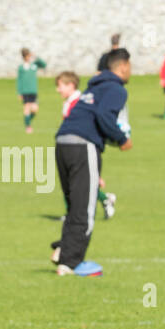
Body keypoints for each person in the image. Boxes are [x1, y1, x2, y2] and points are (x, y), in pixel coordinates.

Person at [51, 49, 132, 275]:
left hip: (63, 143)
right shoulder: (116, 89)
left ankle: (63, 252)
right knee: (85, 209)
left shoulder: (92, 87)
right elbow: (104, 116)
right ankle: (71, 263)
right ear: (123, 66)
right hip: (82, 145)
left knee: (74, 204)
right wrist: (122, 139)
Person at [57, 70, 116, 219]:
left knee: (81, 184)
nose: (58, 90)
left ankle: (102, 200)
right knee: (74, 183)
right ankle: (74, 212)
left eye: (60, 86)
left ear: (71, 85)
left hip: (82, 148)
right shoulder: (69, 102)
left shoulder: (80, 102)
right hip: (70, 146)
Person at [16, 48, 47, 134]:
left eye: (29, 55)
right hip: (25, 91)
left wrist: (36, 56)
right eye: (26, 56)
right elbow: (19, 80)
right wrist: (19, 92)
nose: (28, 57)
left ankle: (27, 121)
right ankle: (28, 126)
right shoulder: (21, 68)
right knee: (27, 108)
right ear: (24, 57)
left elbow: (44, 64)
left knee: (35, 109)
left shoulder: (34, 65)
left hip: (33, 91)